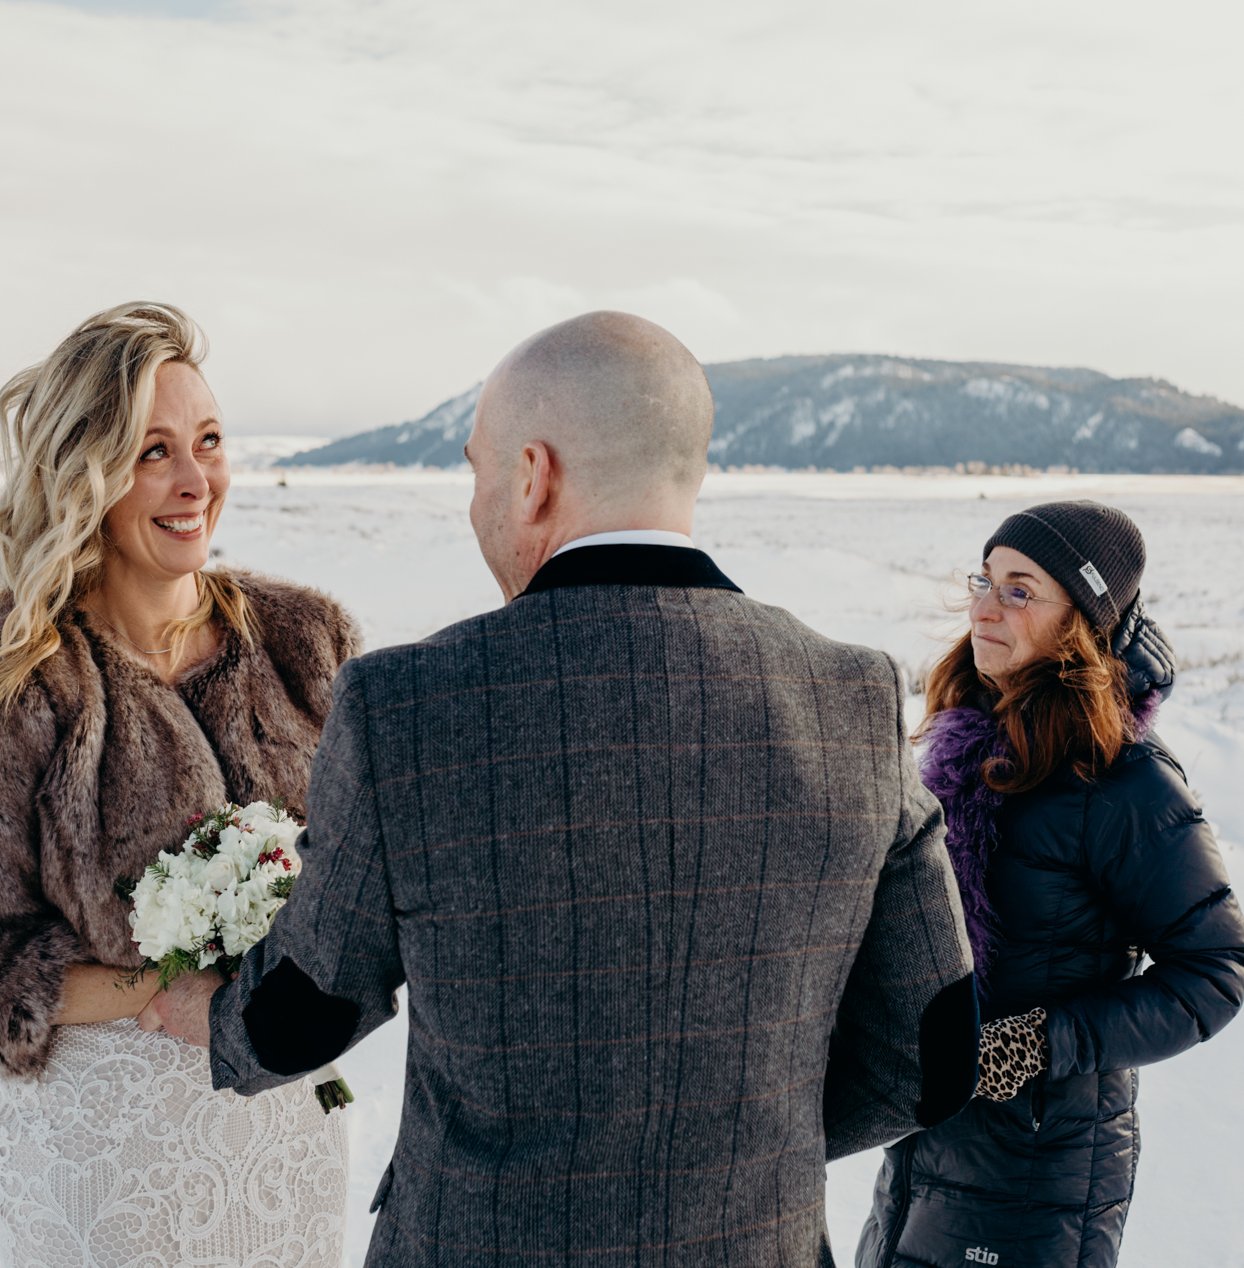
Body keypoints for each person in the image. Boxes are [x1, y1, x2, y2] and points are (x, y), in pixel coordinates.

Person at [140, 310, 981, 1268]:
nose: (476, 506)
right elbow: (937, 1051)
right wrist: (744, 1144)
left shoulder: (405, 705)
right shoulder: (853, 697)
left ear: (533, 476)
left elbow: (309, 1009)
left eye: (477, 471)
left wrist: (210, 1019)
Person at [0, 302, 361, 1268]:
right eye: (153, 452)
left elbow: (372, 885)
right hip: (110, 1164)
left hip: (289, 1149)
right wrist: (157, 987)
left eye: (209, 441)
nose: (195, 482)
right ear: (85, 472)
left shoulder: (306, 642)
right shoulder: (9, 678)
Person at [855, 501, 1244, 1268]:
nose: (984, 606)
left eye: (1020, 590)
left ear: (1081, 622)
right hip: (928, 1153)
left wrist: (1037, 1043)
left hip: (1038, 1175)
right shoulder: (966, 751)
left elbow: (1216, 970)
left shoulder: (1123, 780)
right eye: (985, 579)